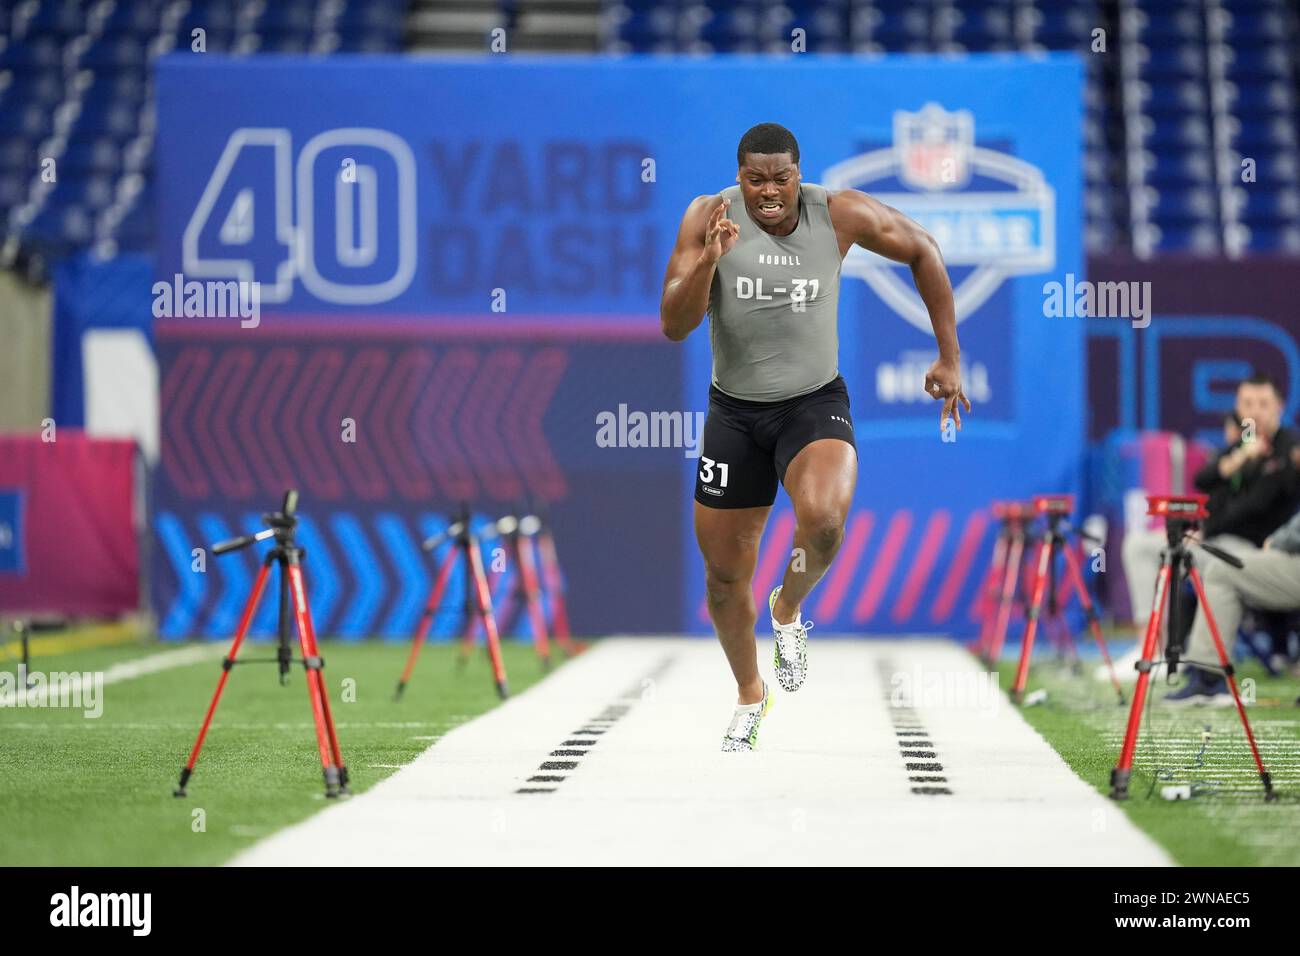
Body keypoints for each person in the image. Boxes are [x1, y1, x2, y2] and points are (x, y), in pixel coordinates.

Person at [658, 123, 969, 751]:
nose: (769, 192)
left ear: (799, 174)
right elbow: (673, 324)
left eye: (781, 178)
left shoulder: (840, 213)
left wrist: (949, 357)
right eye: (755, 180)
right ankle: (751, 694)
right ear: (739, 177)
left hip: (812, 404)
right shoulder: (708, 215)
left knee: (824, 521)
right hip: (734, 415)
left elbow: (924, 249)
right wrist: (711, 261)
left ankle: (788, 610)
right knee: (722, 578)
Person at [1116, 374, 1299, 680]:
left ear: (1279, 407)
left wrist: (1206, 529)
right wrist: (1240, 457)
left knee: (1215, 566)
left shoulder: (1289, 447)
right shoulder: (1241, 445)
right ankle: (1150, 646)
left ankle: (1206, 669)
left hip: (1256, 549)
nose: (1254, 411)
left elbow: (1254, 507)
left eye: (1263, 404)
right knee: (1138, 545)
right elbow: (1203, 479)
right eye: (1247, 403)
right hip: (1211, 538)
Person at [1165, 443, 1300, 703]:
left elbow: (1255, 507)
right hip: (1242, 543)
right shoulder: (1232, 452)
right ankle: (1176, 654)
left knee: (1221, 570)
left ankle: (1208, 677)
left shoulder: (1282, 452)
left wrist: (1279, 541)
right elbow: (1204, 481)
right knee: (1181, 556)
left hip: (1251, 544)